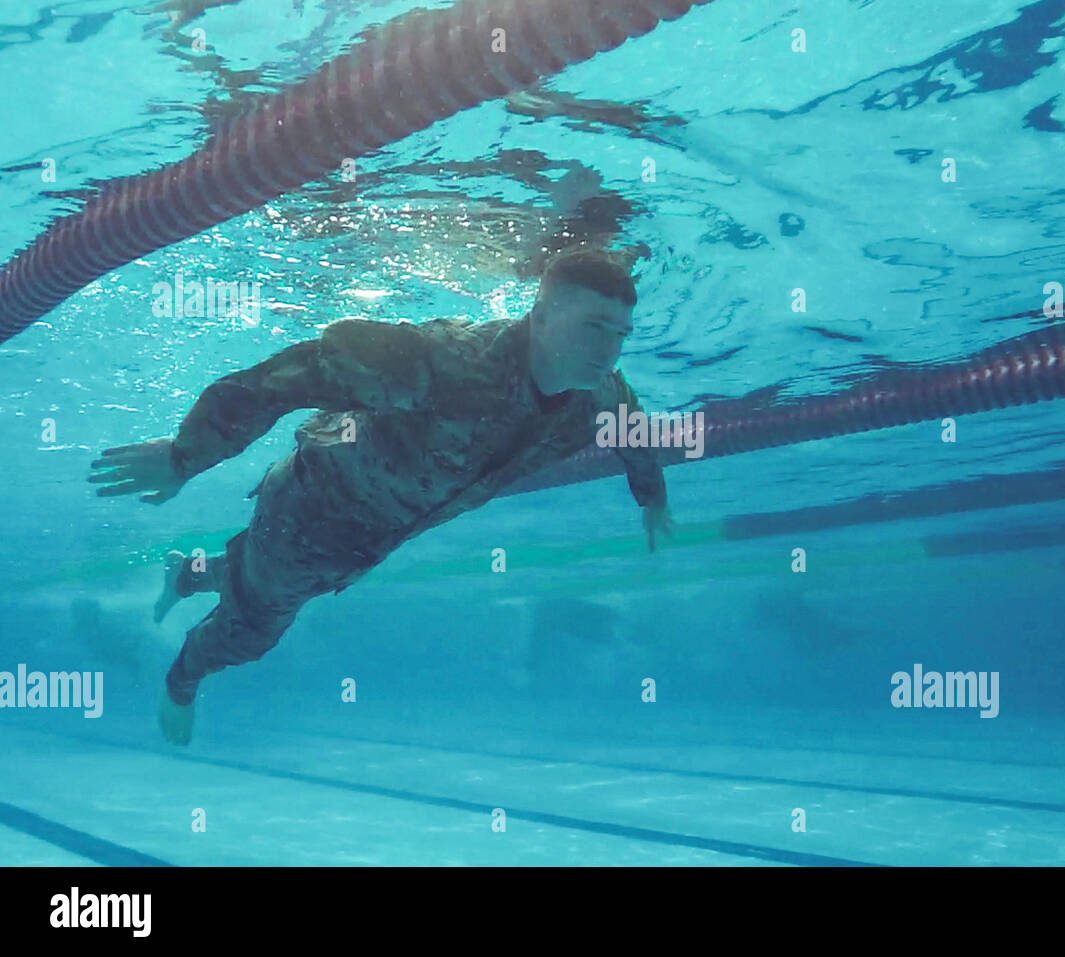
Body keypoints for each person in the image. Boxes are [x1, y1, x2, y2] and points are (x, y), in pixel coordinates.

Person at [89, 247, 674, 745]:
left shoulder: (597, 391)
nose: (609, 351)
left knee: (263, 581)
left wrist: (651, 497)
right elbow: (293, 374)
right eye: (593, 327)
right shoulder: (446, 362)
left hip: (368, 539)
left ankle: (187, 574)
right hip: (308, 511)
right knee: (253, 631)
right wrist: (183, 457)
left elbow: (633, 430)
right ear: (543, 315)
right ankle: (181, 681)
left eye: (620, 334)